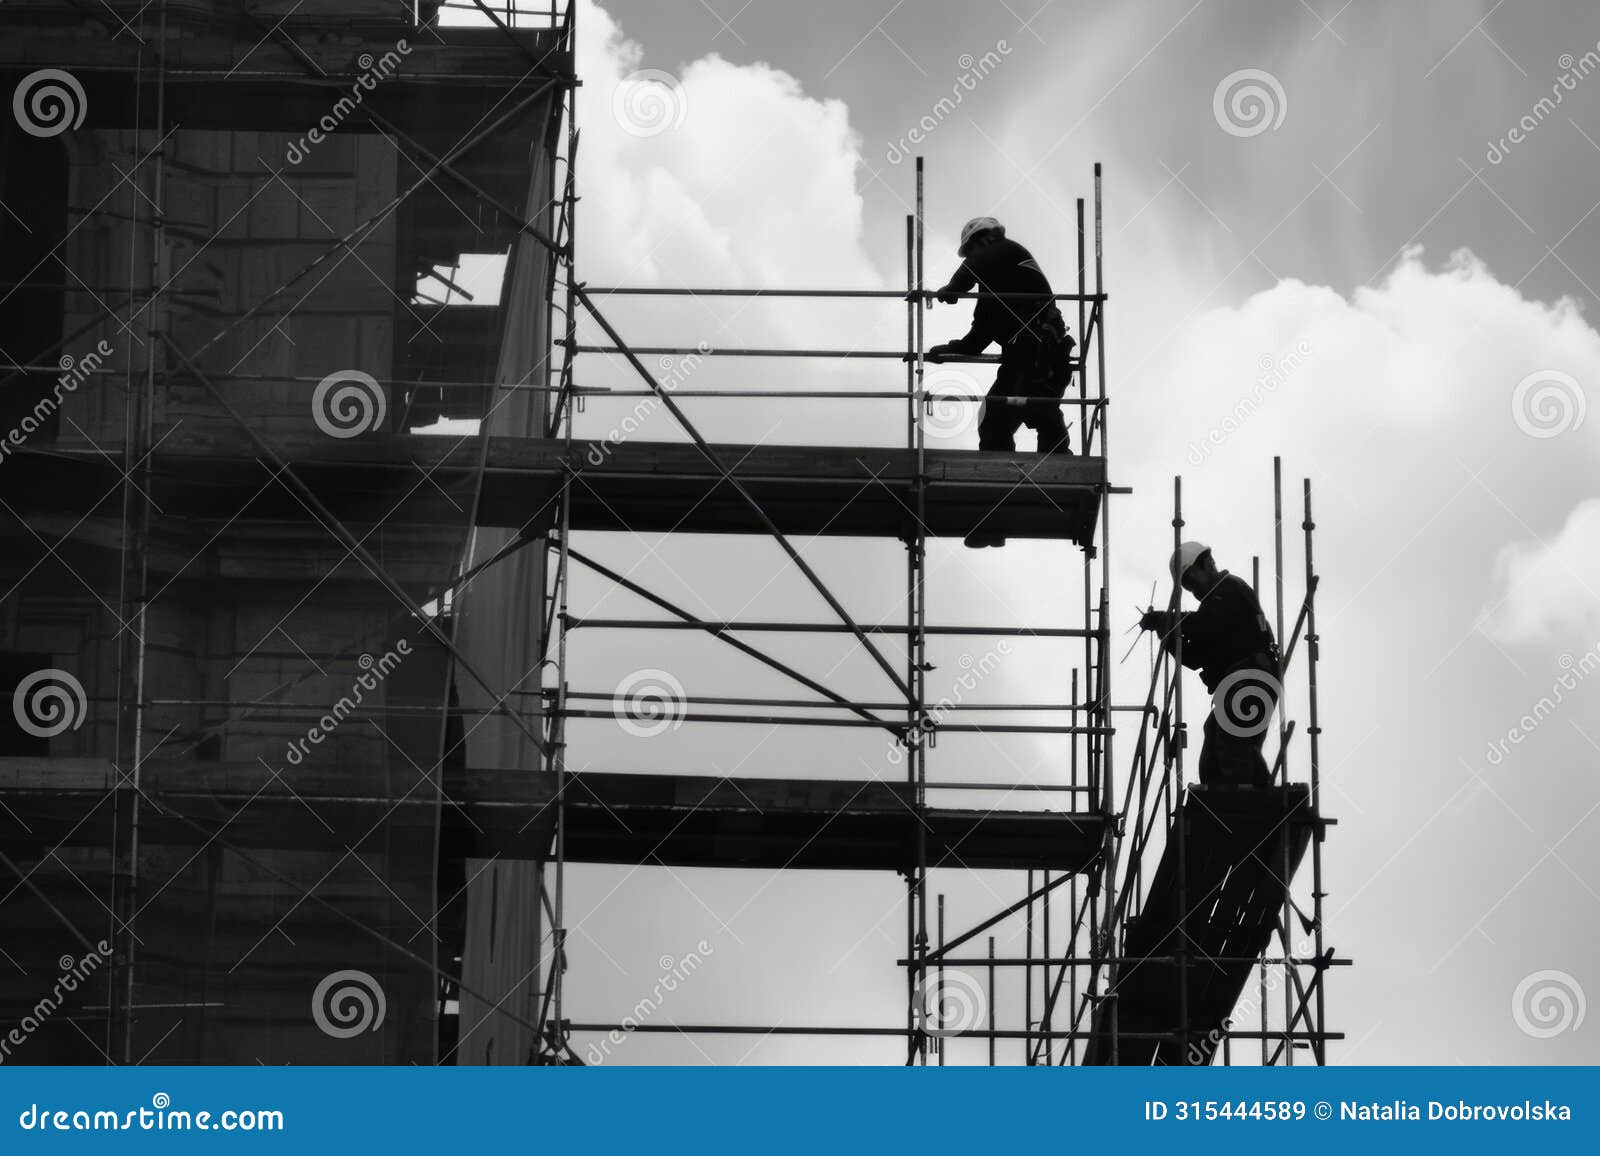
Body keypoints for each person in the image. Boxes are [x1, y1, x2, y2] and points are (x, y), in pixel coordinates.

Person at [928, 217, 1075, 549]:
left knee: (1034, 408)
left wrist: (953, 288)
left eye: (970, 253)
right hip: (1025, 355)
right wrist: (950, 351)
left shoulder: (1005, 251)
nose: (970, 259)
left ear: (982, 241)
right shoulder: (999, 286)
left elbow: (977, 266)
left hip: (1036, 350)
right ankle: (996, 512)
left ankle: (1059, 469)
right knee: (996, 420)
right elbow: (980, 334)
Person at [1140, 542, 1281, 788]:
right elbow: (1194, 658)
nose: (1191, 589)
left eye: (1192, 580)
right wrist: (1168, 635)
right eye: (1187, 586)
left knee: (1231, 742)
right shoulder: (1213, 607)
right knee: (1215, 751)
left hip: (1251, 675)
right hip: (1239, 680)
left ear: (1207, 564)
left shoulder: (1229, 588)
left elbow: (1203, 623)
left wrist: (1169, 618)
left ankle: (1246, 806)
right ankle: (1240, 800)